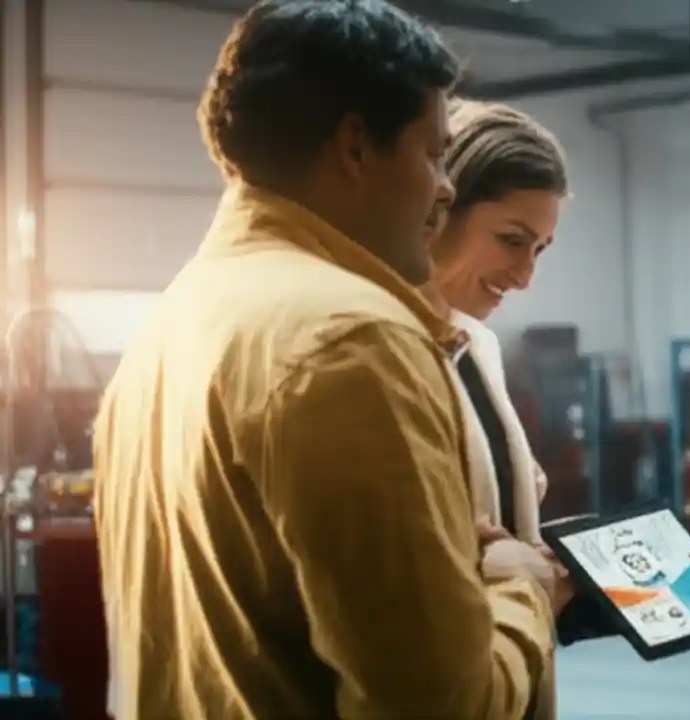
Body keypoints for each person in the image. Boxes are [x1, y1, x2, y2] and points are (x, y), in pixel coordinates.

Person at [93, 2, 559, 718]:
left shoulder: (169, 326)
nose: (442, 187)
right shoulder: (353, 340)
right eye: (434, 153)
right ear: (356, 146)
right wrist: (519, 585)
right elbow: (443, 706)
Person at [421, 98, 614, 648]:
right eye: (511, 240)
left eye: (540, 249)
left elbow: (498, 551)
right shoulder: (376, 358)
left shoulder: (477, 349)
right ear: (438, 205)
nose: (526, 276)